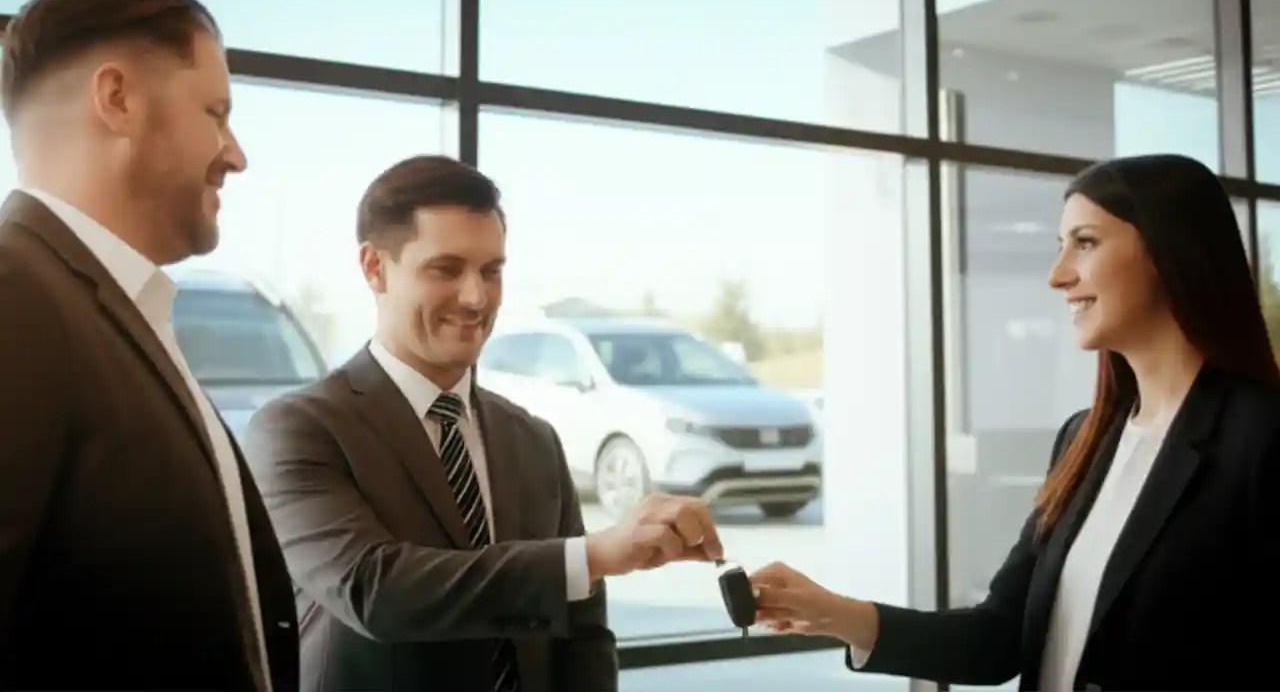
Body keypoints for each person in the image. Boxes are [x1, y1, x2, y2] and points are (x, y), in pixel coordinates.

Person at [750, 153, 1280, 691]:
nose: (1058, 275)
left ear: (1169, 251)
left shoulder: (1263, 438)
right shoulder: (1085, 440)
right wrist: (831, 612)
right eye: (1061, 247)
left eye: (1086, 242)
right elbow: (998, 638)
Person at [244, 154, 724, 692]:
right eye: (446, 269)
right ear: (375, 267)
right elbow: (374, 590)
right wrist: (594, 554)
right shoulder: (297, 429)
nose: (476, 297)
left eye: (491, 271)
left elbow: (582, 634)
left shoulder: (534, 439)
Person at [0, 0, 298, 692]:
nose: (236, 154)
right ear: (118, 99)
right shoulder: (16, 295)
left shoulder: (113, 309)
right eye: (216, 112)